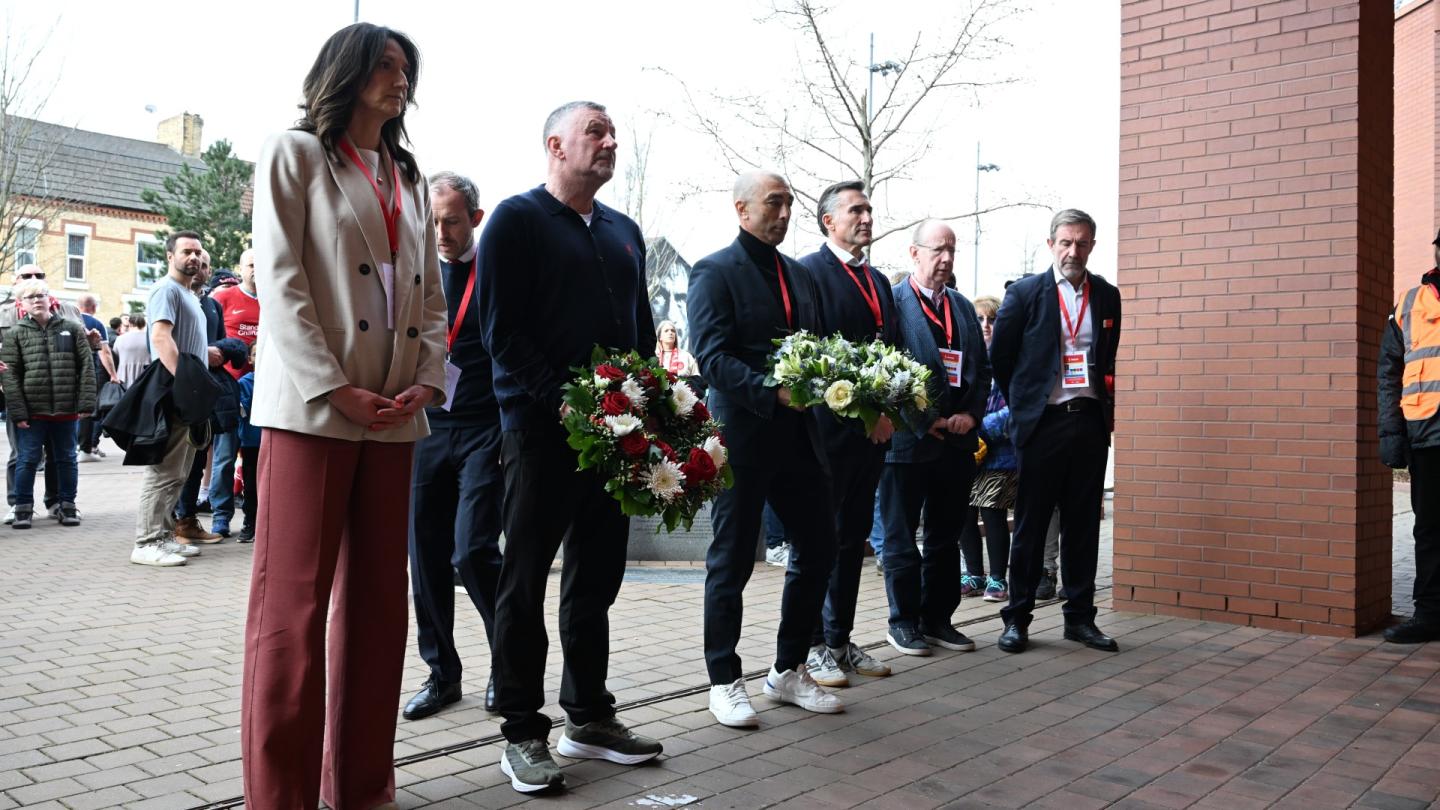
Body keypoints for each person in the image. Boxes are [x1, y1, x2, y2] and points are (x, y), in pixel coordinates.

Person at [241, 23, 448, 810]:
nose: (400, 79)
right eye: (386, 65)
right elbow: (284, 284)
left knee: (376, 608)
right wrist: (333, 387)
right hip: (312, 412)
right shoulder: (294, 153)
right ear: (348, 72)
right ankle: (281, 796)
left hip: (396, 412)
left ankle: (364, 787)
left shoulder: (410, 176)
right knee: (292, 610)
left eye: (406, 68)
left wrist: (426, 382)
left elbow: (431, 299)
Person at [478, 100, 661, 793]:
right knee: (523, 583)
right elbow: (501, 331)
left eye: (613, 133)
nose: (611, 142)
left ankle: (589, 715)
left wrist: (646, 409)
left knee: (597, 579)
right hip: (541, 434)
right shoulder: (516, 221)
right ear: (555, 144)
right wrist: (566, 399)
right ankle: (523, 731)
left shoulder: (624, 231)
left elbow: (640, 332)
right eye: (597, 132)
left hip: (614, 438)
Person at [690, 170, 843, 728]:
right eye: (773, 203)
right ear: (741, 209)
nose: (783, 213)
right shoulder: (714, 272)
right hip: (745, 434)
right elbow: (712, 357)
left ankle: (787, 669)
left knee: (820, 545)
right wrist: (769, 391)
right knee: (731, 558)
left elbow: (818, 345)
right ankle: (724, 679)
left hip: (801, 436)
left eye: (789, 204)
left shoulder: (799, 276)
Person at [990, 208, 1122, 654]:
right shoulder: (1025, 294)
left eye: (1082, 243)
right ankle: (1016, 618)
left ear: (1092, 246)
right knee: (1030, 525)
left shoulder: (1106, 296)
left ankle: (1080, 619)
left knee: (1084, 524)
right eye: (1065, 242)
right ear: (1051, 245)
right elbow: (1002, 360)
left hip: (1087, 422)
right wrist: (1025, 408)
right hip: (1042, 425)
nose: (1073, 251)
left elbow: (1106, 358)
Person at [402, 171, 504, 722]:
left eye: (452, 221)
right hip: (427, 426)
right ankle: (442, 673)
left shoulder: (499, 272)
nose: (441, 231)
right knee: (426, 555)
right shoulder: (417, 270)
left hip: (485, 427)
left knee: (473, 551)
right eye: (433, 220)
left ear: (475, 220)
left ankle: (506, 662)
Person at [793, 180, 897, 687]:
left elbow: (892, 350)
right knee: (819, 540)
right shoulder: (809, 273)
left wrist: (894, 407)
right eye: (856, 210)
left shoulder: (877, 279)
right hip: (828, 435)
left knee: (854, 540)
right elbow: (814, 358)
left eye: (870, 210)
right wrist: (862, 413)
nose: (867, 218)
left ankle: (839, 640)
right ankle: (809, 645)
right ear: (828, 221)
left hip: (873, 437)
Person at [876, 220, 989, 656]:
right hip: (909, 443)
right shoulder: (893, 303)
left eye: (952, 251)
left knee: (946, 537)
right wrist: (927, 421)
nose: (946, 259)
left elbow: (981, 370)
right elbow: (884, 371)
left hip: (956, 443)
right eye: (938, 250)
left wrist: (969, 414)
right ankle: (902, 622)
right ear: (915, 253)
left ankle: (938, 618)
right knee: (902, 538)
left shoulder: (961, 306)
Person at [129, 231, 213, 567]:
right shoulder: (165, 289)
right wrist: (186, 385)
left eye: (197, 252)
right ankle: (146, 541)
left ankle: (163, 537)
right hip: (175, 390)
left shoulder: (189, 294)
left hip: (191, 391)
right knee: (163, 470)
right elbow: (161, 338)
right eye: (186, 252)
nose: (193, 257)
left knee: (179, 472)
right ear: (169, 256)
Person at [1378, 232, 1440, 643]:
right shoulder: (1409, 303)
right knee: (1431, 530)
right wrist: (1391, 435)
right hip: (1427, 437)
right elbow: (1389, 374)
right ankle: (1431, 616)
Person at [0, 277, 95, 529]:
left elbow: (86, 366)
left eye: (40, 295)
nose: (36, 301)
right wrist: (18, 410)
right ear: (22, 304)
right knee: (27, 460)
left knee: (66, 459)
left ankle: (67, 506)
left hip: (66, 411)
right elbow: (9, 374)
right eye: (30, 297)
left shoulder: (72, 328)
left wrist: (85, 402)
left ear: (50, 299)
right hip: (33, 412)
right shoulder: (16, 333)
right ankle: (22, 508)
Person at [959, 295, 1014, 603]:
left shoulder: (1008, 360)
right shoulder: (966, 357)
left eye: (991, 320)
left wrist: (979, 428)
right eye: (979, 319)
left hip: (999, 451)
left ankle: (998, 578)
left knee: (992, 513)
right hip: (966, 449)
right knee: (964, 512)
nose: (985, 326)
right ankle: (973, 573)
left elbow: (1016, 407)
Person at [208, 248, 261, 538]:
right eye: (251, 264)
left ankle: (253, 519)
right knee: (224, 458)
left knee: (254, 462)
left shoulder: (273, 300)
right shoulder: (223, 298)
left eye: (260, 263)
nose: (257, 268)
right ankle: (221, 516)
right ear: (240, 268)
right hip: (228, 392)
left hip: (262, 394)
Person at [75, 293, 118, 462]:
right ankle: (85, 449)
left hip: (66, 372)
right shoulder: (96, 324)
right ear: (93, 307)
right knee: (87, 409)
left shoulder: (63, 319)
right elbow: (104, 352)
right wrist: (113, 375)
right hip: (87, 373)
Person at [234, 346, 260, 544]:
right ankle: (249, 523)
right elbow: (242, 411)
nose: (259, 357)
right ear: (249, 359)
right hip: (251, 442)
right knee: (250, 486)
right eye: (255, 354)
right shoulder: (244, 383)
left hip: (275, 442)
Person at [113, 314, 150, 384]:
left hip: (124, 376)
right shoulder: (150, 338)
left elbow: (115, 357)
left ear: (130, 324)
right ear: (144, 324)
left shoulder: (120, 339)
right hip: (146, 375)